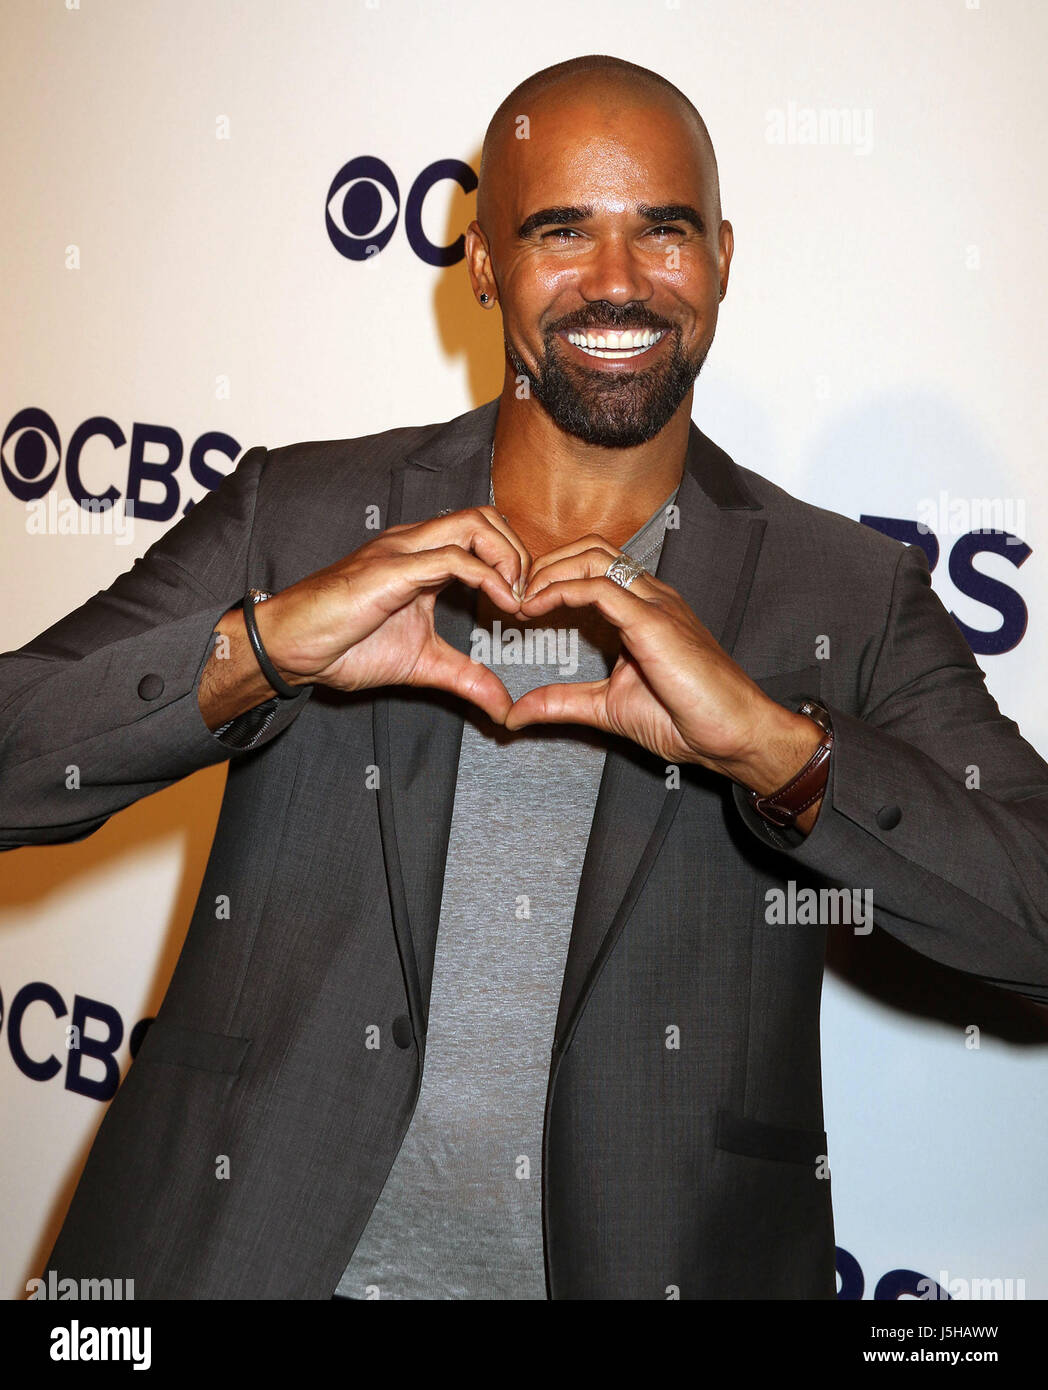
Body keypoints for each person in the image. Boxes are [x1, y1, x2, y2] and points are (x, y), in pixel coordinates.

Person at [4, 54, 1047, 1301]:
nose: (616, 282)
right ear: (486, 263)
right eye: (562, 230)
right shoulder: (304, 511)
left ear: (721, 255)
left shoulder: (849, 596)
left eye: (661, 230)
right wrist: (260, 649)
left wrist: (779, 752)